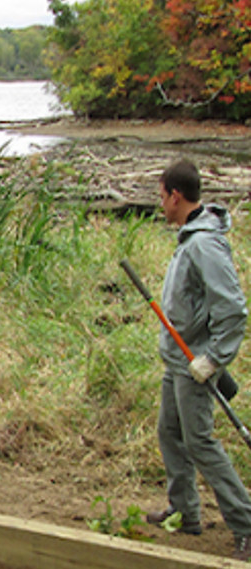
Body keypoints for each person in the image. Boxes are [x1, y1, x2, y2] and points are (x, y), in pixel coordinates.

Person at [144, 159, 251, 561]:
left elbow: (233, 310)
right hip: (177, 359)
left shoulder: (205, 243)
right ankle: (185, 510)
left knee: (201, 442)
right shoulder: (190, 235)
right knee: (169, 432)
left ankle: (246, 525)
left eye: (162, 197)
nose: (162, 205)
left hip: (195, 363)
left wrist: (213, 359)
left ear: (175, 195)